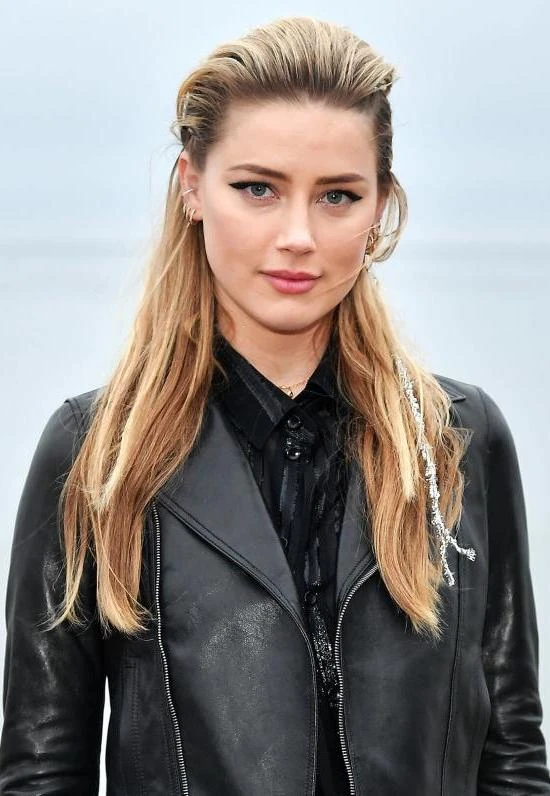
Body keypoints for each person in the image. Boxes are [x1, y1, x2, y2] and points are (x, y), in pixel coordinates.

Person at [0, 15, 548, 796]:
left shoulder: (459, 438)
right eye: (257, 188)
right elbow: (40, 769)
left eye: (338, 196)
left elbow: (512, 750)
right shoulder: (97, 451)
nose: (298, 235)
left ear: (381, 207)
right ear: (192, 185)